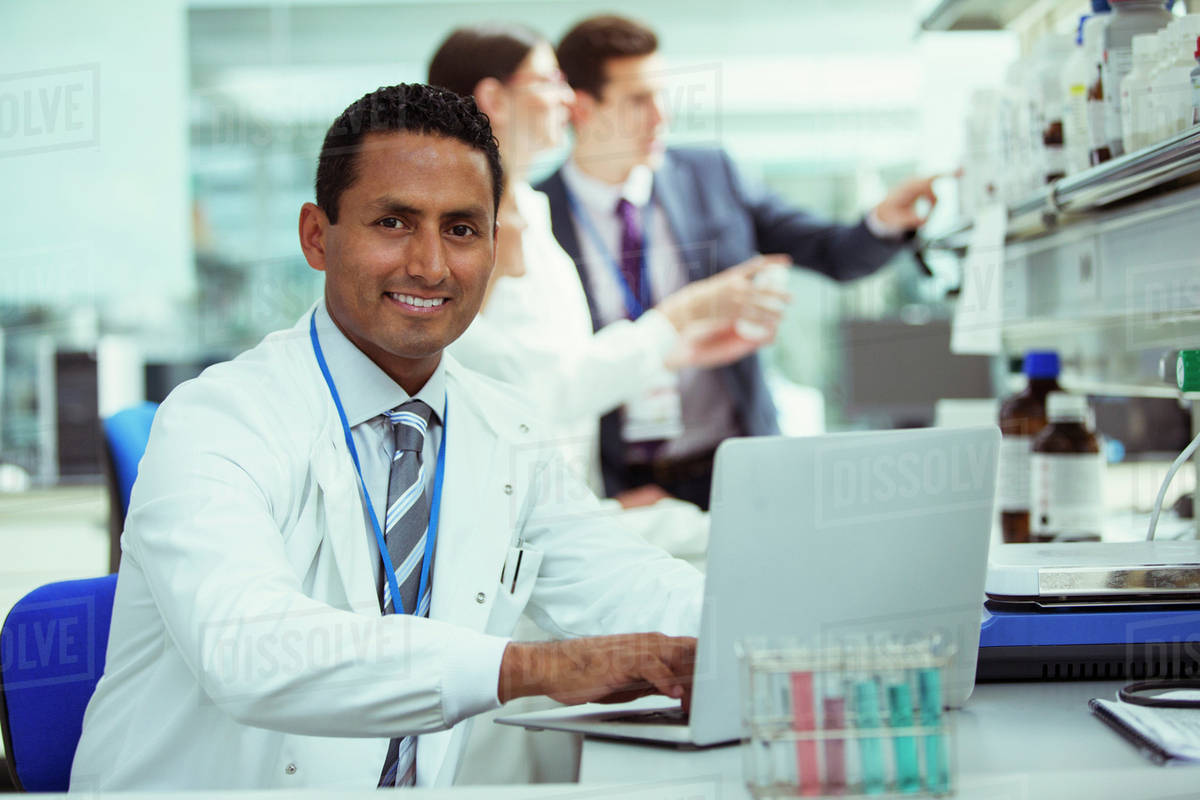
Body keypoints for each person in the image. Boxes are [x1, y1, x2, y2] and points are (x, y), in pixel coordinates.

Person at [69, 83, 701, 792]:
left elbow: (635, 588)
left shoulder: (508, 431)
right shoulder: (218, 420)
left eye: (461, 229)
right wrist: (531, 669)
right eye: (394, 222)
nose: (430, 265)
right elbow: (246, 649)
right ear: (316, 235)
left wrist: (786, 623)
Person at [538, 14, 942, 510]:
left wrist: (883, 221)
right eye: (638, 100)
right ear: (581, 108)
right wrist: (602, 498)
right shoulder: (537, 217)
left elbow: (829, 251)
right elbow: (550, 381)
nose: (661, 117)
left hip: (739, 474)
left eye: (662, 96)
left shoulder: (712, 175)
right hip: (625, 492)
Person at [430, 23, 788, 508]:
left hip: (568, 499)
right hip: (518, 511)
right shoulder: (476, 228)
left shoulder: (530, 210)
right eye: (549, 80)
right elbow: (526, 394)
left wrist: (679, 350)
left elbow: (548, 365)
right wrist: (679, 316)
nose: (565, 98)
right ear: (494, 97)